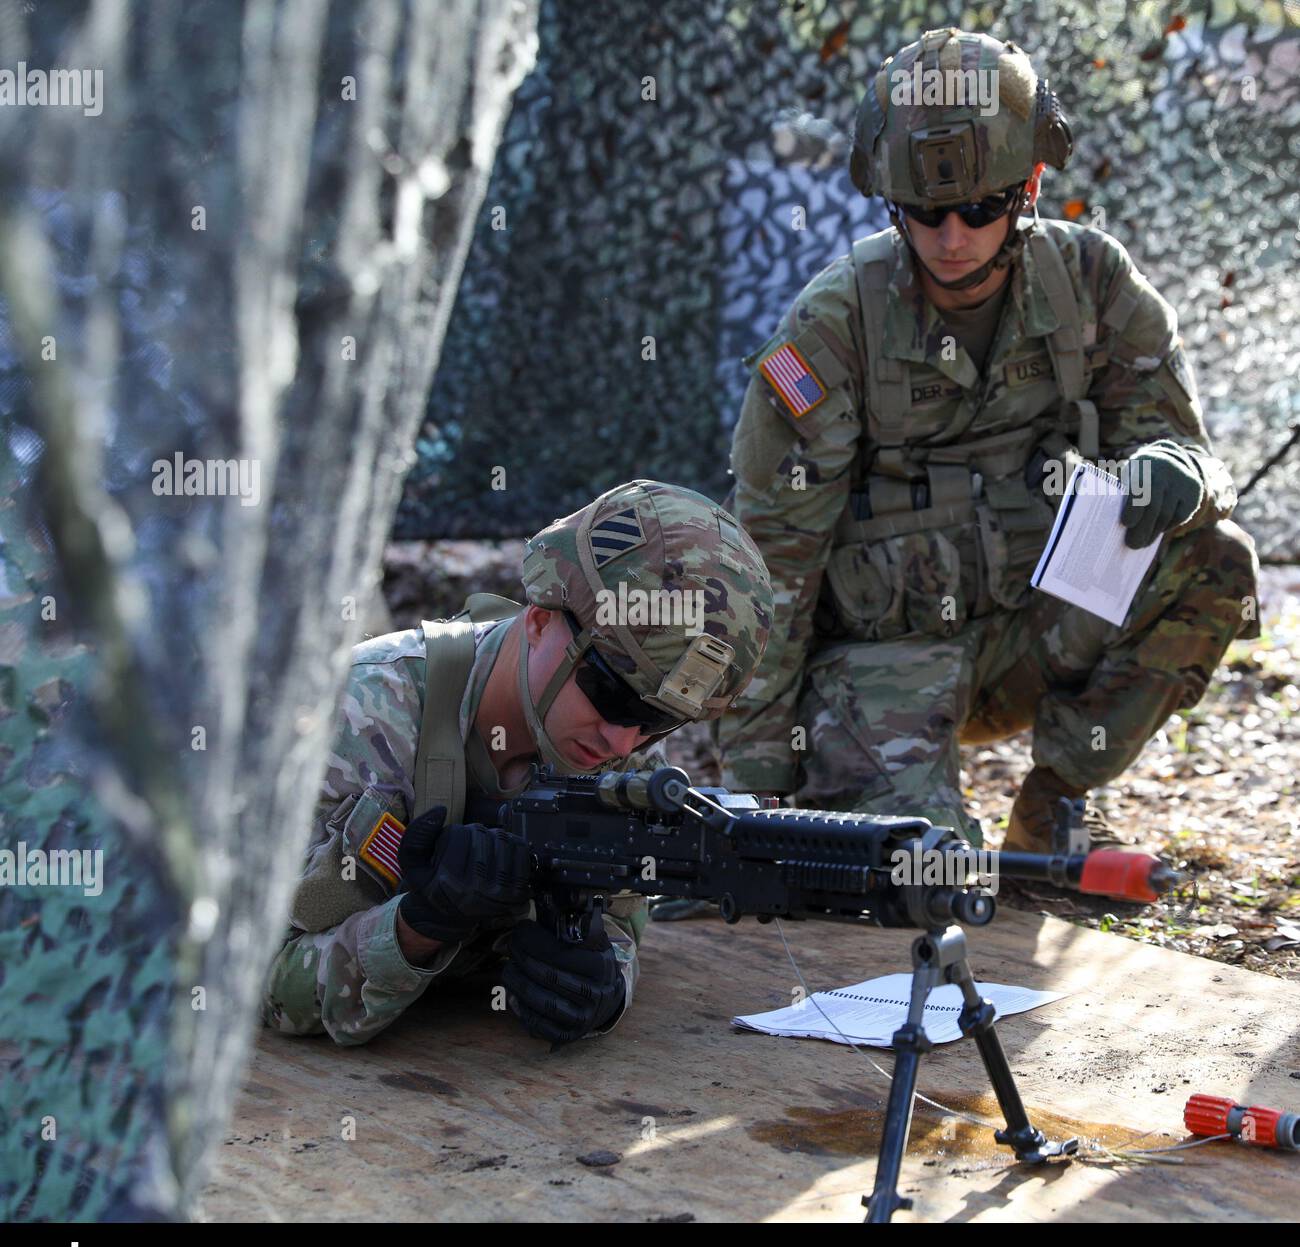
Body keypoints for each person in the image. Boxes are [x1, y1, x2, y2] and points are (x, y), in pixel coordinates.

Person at [711, 27, 1259, 859]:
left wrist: (1171, 473)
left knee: (1215, 559)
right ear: (894, 204)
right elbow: (773, 563)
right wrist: (755, 792)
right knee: (922, 871)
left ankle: (1057, 802)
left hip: (1034, 632)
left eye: (981, 207)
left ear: (1029, 185)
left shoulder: (1094, 285)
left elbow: (1181, 443)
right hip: (881, 660)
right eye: (927, 212)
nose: (953, 236)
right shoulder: (834, 329)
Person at [262, 480, 773, 1045]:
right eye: (611, 696)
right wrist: (417, 927)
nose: (623, 742)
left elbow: (618, 924)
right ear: (539, 619)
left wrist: (601, 988)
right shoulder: (355, 717)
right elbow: (252, 981)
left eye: (658, 722)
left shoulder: (629, 751)